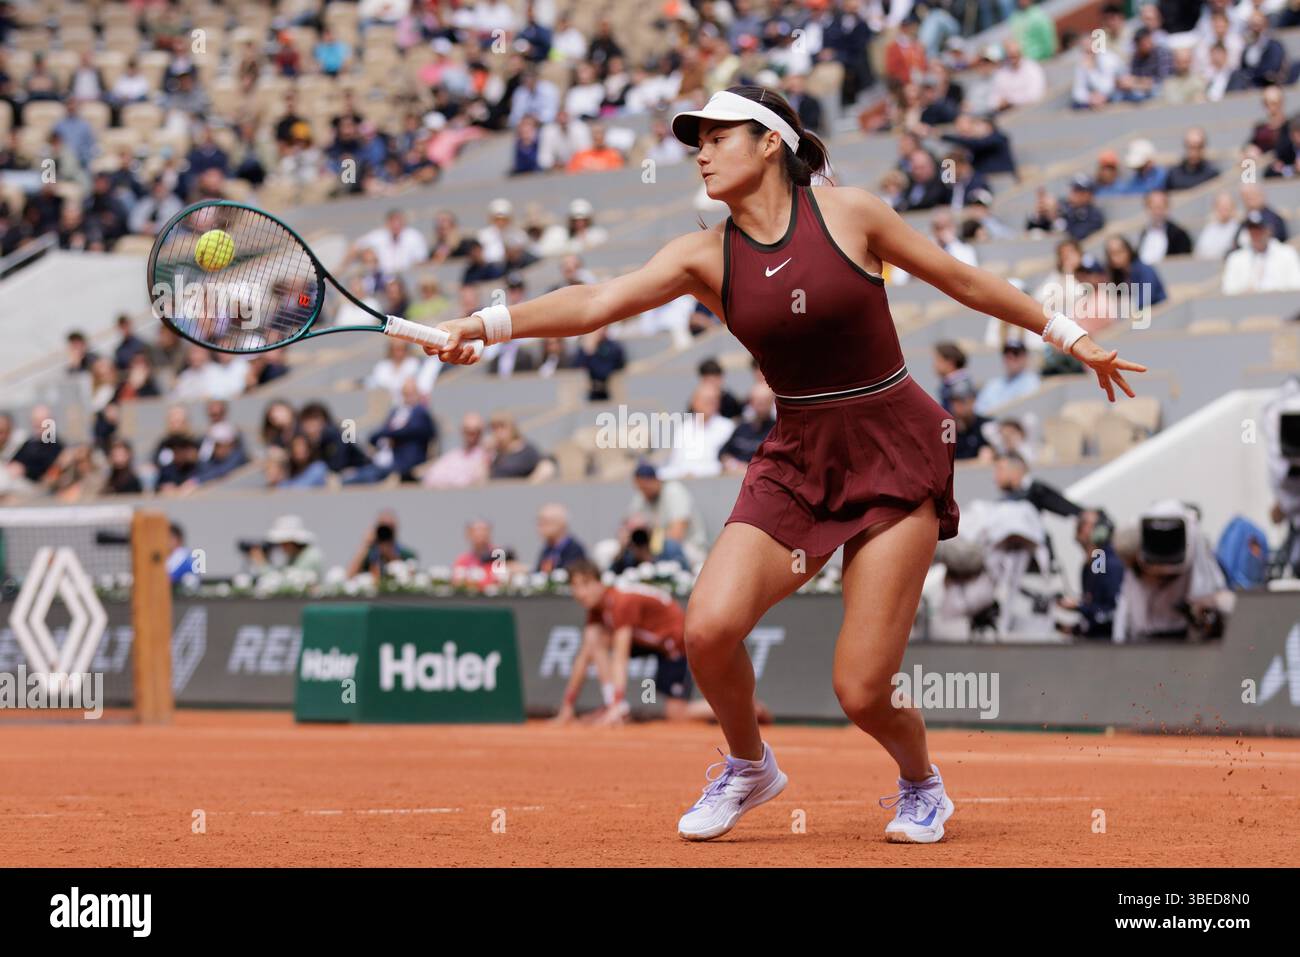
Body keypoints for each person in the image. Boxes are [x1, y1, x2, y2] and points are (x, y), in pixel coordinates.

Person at [423, 85, 1143, 844]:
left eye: (717, 136)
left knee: (862, 690)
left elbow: (960, 279)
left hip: (893, 448)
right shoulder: (704, 255)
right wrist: (482, 324)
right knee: (706, 629)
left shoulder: (851, 213)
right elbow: (597, 300)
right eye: (693, 140)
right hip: (797, 458)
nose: (700, 151)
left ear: (771, 142)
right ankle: (749, 764)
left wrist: (1069, 334)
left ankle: (921, 782)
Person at [557, 559, 719, 726]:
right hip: (651, 641)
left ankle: (743, 708)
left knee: (677, 713)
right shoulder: (597, 609)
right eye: (575, 586)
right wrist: (567, 705)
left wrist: (617, 703)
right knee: (593, 639)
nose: (580, 593)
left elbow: (620, 656)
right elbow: (584, 656)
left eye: (585, 584)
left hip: (676, 643)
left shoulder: (621, 603)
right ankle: (612, 703)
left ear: (599, 583)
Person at [348, 509, 418, 580]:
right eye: (383, 527)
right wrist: (365, 545)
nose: (385, 532)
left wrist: (392, 556)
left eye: (389, 527)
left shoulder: (407, 554)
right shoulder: (369, 554)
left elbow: (411, 579)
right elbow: (349, 576)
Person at [535, 503, 587, 573]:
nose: (540, 526)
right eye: (539, 521)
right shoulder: (548, 549)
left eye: (545, 522)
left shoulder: (574, 550)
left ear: (561, 524)